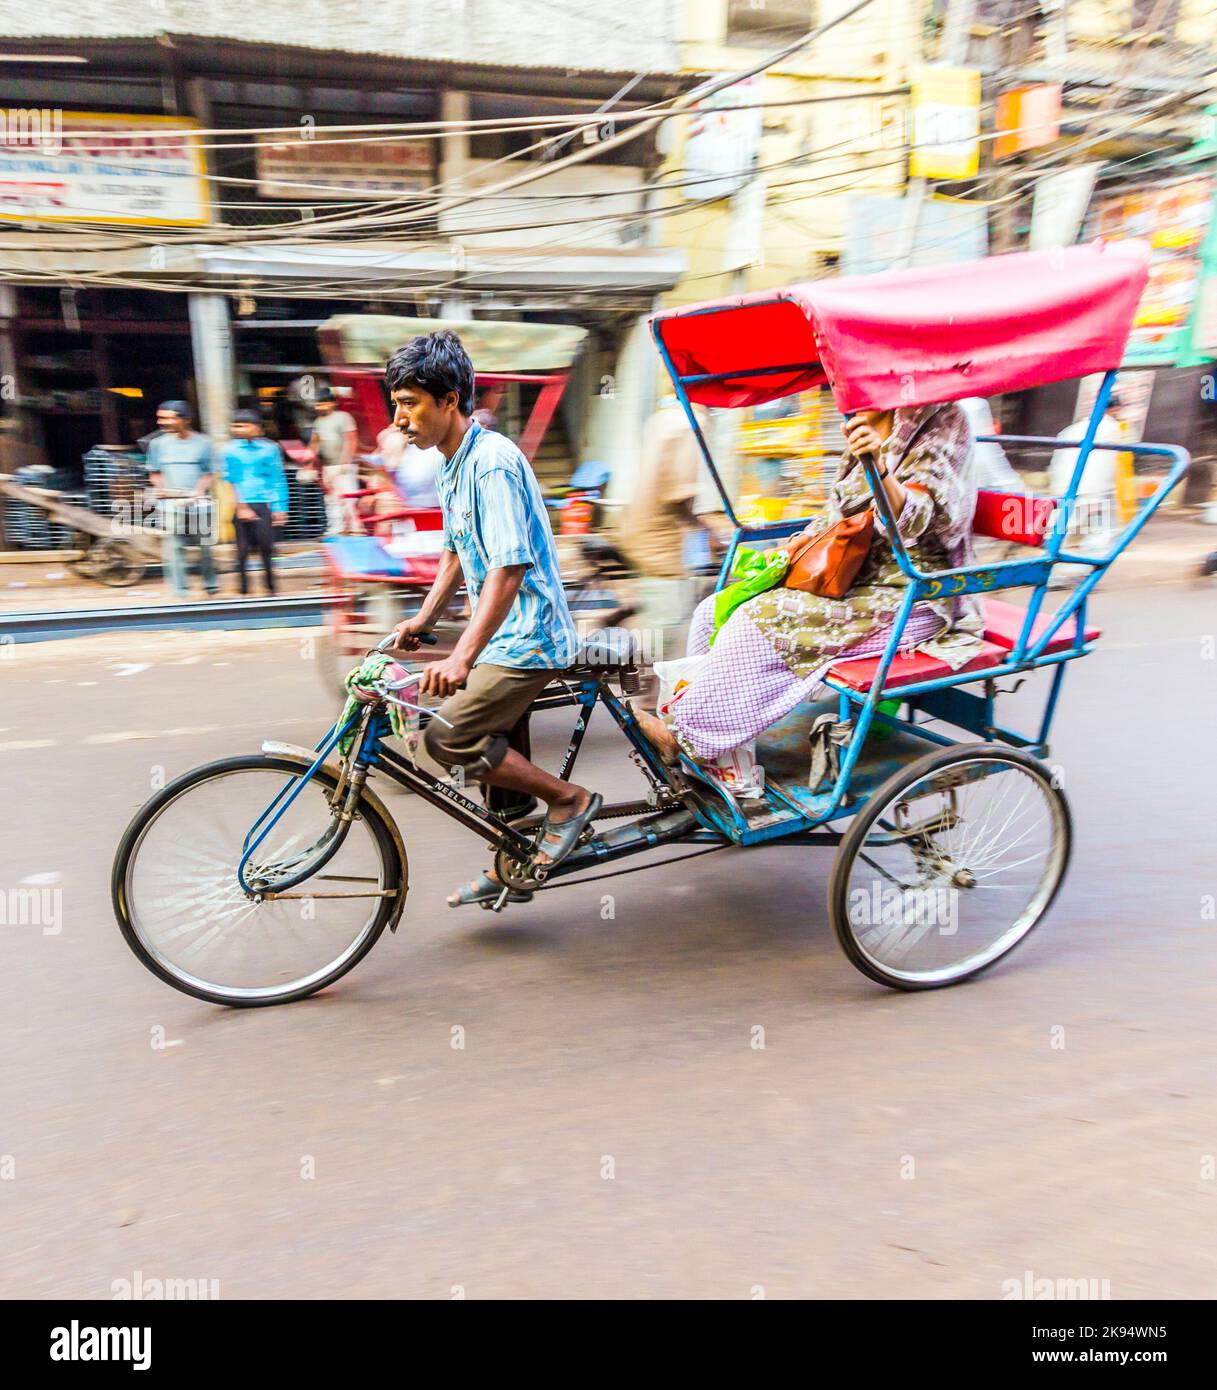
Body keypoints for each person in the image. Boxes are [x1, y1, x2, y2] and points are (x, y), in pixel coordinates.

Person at [635, 403, 983, 767]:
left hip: (914, 592)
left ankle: (687, 736)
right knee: (716, 609)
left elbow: (917, 520)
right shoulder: (861, 424)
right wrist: (797, 545)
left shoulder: (943, 420)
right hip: (852, 578)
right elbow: (836, 512)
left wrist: (879, 469)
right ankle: (722, 743)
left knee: (757, 622)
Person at [385, 330, 599, 905]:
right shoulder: (452, 465)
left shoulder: (494, 464)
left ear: (449, 400)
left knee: (448, 737)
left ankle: (568, 800)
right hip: (502, 633)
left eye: (410, 404)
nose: (400, 418)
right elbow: (457, 550)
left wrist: (461, 655)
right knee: (484, 741)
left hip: (530, 637)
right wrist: (426, 618)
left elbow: (507, 569)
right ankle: (513, 861)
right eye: (397, 404)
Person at [619, 398, 725, 667]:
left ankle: (644, 683)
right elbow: (679, 492)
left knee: (658, 616)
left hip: (640, 532)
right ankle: (649, 698)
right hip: (661, 543)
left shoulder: (664, 416)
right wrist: (708, 529)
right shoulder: (691, 423)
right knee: (667, 627)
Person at [145, 400, 217, 598]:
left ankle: (210, 584)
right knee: (174, 547)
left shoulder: (204, 443)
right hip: (170, 504)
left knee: (205, 545)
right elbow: (154, 472)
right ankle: (179, 590)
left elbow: (209, 473)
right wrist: (162, 489)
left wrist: (197, 492)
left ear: (185, 419)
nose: (162, 422)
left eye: (167, 418)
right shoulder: (157, 444)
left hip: (198, 503)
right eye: (160, 418)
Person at [1047, 389, 1124, 568]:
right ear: (1114, 409)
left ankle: (1054, 569)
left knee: (1062, 530)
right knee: (1101, 531)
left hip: (1064, 486)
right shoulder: (1111, 428)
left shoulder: (1071, 429)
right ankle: (1082, 571)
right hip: (1094, 488)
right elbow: (1109, 463)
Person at [222, 410, 289, 596]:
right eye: (235, 425)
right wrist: (241, 506)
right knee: (242, 551)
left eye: (243, 425)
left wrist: (280, 507)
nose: (238, 429)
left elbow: (277, 478)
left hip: (264, 503)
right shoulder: (229, 450)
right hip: (241, 503)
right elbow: (230, 480)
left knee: (267, 547)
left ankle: (270, 587)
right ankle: (243, 588)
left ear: (257, 428)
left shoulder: (270, 449)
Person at [309, 387, 359, 535]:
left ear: (331, 403)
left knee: (349, 497)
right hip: (328, 466)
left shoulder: (343, 417)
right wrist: (310, 462)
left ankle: (355, 529)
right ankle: (336, 528)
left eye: (322, 404)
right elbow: (315, 443)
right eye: (318, 404)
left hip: (344, 465)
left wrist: (345, 462)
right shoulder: (318, 421)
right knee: (331, 498)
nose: (319, 407)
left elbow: (351, 440)